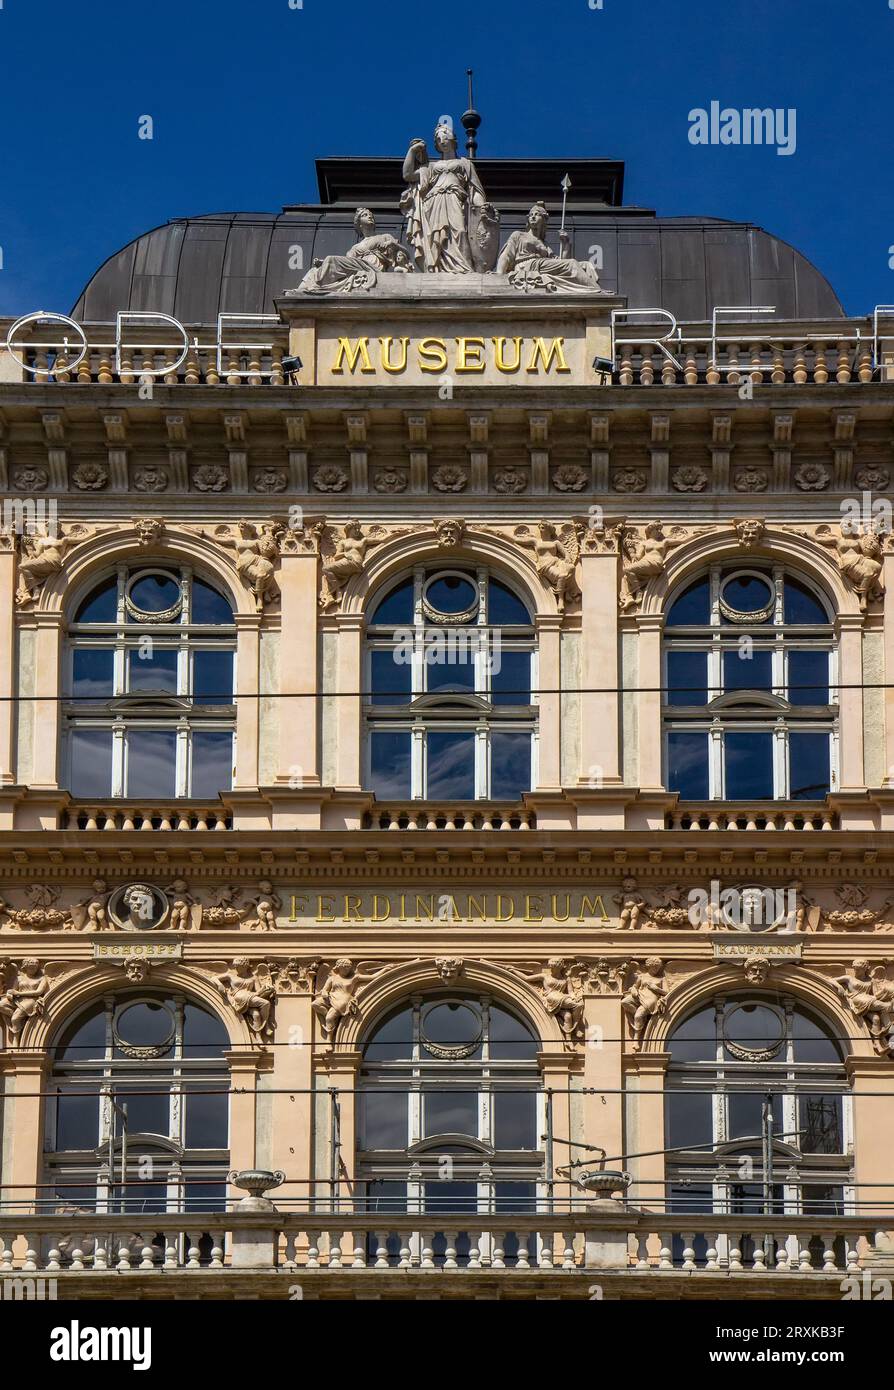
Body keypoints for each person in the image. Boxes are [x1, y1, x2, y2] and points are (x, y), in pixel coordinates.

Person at [497, 201, 603, 293]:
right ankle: (596, 290)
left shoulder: (545, 245)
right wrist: (499, 277)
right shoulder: (518, 235)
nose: (533, 216)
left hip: (541, 264)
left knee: (586, 265)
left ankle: (589, 290)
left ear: (543, 220)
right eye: (531, 215)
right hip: (528, 265)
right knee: (573, 264)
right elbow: (506, 255)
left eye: (537, 214)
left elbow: (562, 263)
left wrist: (566, 244)